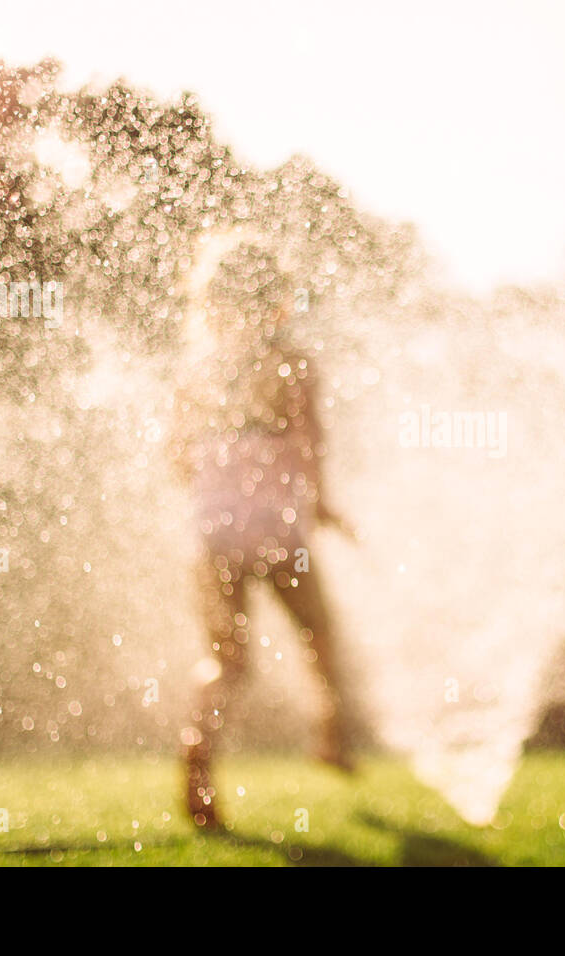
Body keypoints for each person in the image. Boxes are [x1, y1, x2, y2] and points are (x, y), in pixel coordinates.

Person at [172, 251, 359, 831]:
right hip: (279, 529)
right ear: (277, 301)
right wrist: (323, 504)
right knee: (320, 636)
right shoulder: (294, 366)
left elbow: (177, 459)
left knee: (225, 662)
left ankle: (197, 764)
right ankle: (330, 735)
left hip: (214, 530)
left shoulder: (196, 372)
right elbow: (312, 441)